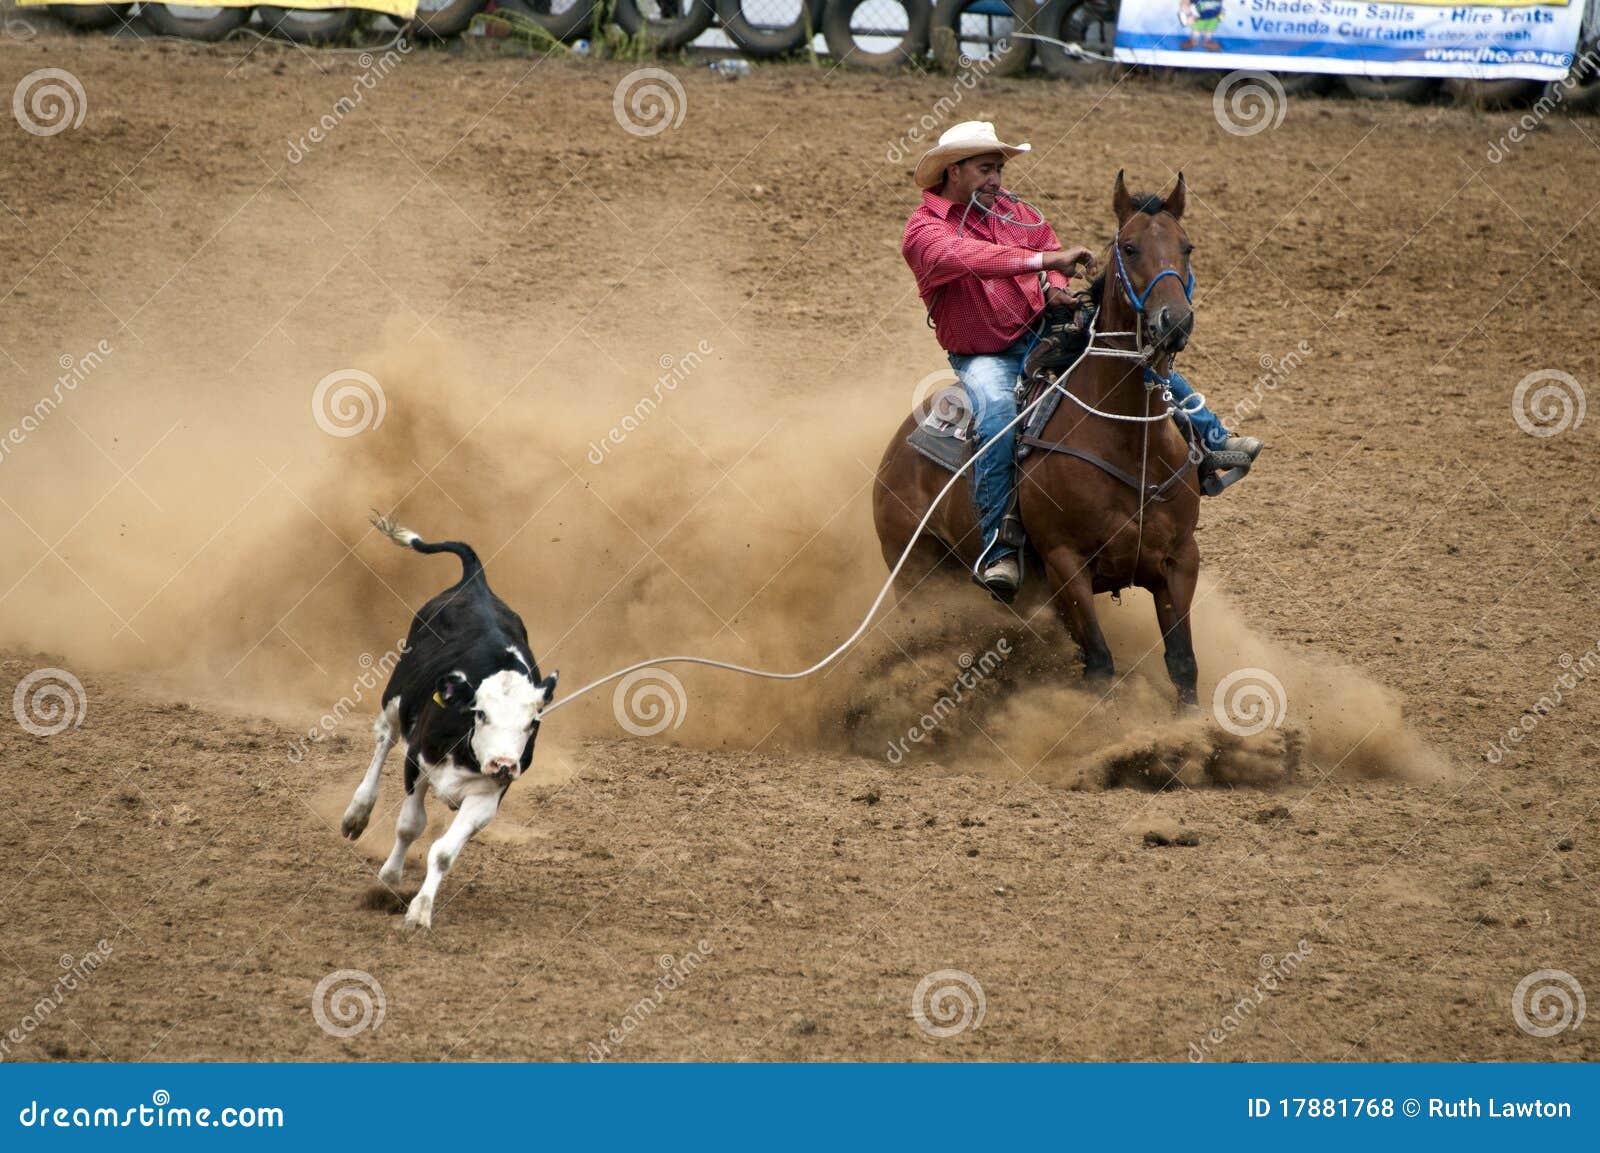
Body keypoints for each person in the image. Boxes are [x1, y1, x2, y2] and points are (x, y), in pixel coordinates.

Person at [901, 121, 1261, 599]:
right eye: (986, 169)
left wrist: (1054, 291)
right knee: (997, 420)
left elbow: (1046, 253)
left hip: (1042, 333)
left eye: (999, 169)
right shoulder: (925, 230)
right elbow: (973, 258)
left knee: (1133, 361)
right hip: (984, 355)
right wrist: (1044, 265)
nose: (996, 179)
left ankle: (1211, 438)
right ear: (954, 171)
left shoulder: (1016, 214)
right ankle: (999, 547)